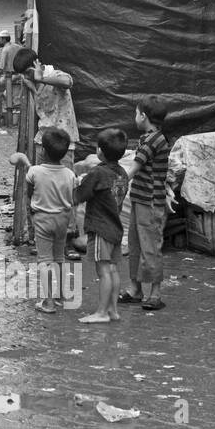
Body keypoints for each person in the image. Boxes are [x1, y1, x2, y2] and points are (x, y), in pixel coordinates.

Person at [13, 47, 81, 254]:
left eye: (28, 71)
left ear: (36, 64)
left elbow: (68, 82)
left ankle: (69, 239)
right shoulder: (31, 82)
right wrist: (33, 84)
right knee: (41, 188)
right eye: (23, 74)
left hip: (64, 142)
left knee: (66, 190)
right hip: (43, 140)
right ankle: (40, 237)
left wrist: (41, 77)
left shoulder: (54, 75)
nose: (27, 77)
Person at [12, 130, 77, 313]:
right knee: (59, 258)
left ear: (43, 151)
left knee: (44, 261)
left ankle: (47, 302)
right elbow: (73, 196)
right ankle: (60, 296)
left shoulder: (34, 171)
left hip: (42, 220)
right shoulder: (70, 174)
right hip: (63, 220)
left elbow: (30, 192)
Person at [119, 96, 171, 312]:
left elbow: (133, 169)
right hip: (141, 199)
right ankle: (135, 289)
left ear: (144, 116)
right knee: (135, 245)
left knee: (150, 247)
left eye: (136, 113)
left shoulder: (151, 141)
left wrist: (114, 185)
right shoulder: (150, 138)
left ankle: (155, 293)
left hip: (150, 202)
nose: (135, 117)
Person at [74, 128, 129, 324]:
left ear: (99, 152)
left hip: (100, 228)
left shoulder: (98, 172)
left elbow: (79, 195)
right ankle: (113, 310)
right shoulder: (122, 173)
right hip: (115, 228)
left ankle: (102, 312)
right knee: (112, 270)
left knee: (103, 271)